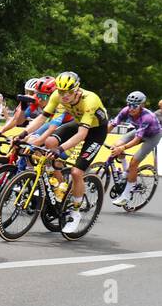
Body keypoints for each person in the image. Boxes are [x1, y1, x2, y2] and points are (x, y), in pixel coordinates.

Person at [19, 71, 108, 235]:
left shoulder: (90, 100)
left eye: (68, 92)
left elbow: (82, 135)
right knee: (49, 142)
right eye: (60, 91)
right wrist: (23, 134)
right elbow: (42, 118)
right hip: (78, 122)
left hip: (96, 131)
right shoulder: (56, 95)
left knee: (76, 172)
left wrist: (60, 150)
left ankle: (75, 212)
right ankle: (58, 183)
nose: (64, 95)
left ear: (77, 89)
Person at [107, 91, 161, 206]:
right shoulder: (125, 110)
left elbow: (137, 140)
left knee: (134, 162)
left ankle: (126, 195)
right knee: (116, 145)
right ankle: (126, 173)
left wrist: (122, 148)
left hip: (152, 137)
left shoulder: (147, 117)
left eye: (135, 106)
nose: (131, 108)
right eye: (129, 104)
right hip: (138, 132)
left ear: (142, 106)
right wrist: (99, 136)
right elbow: (112, 125)